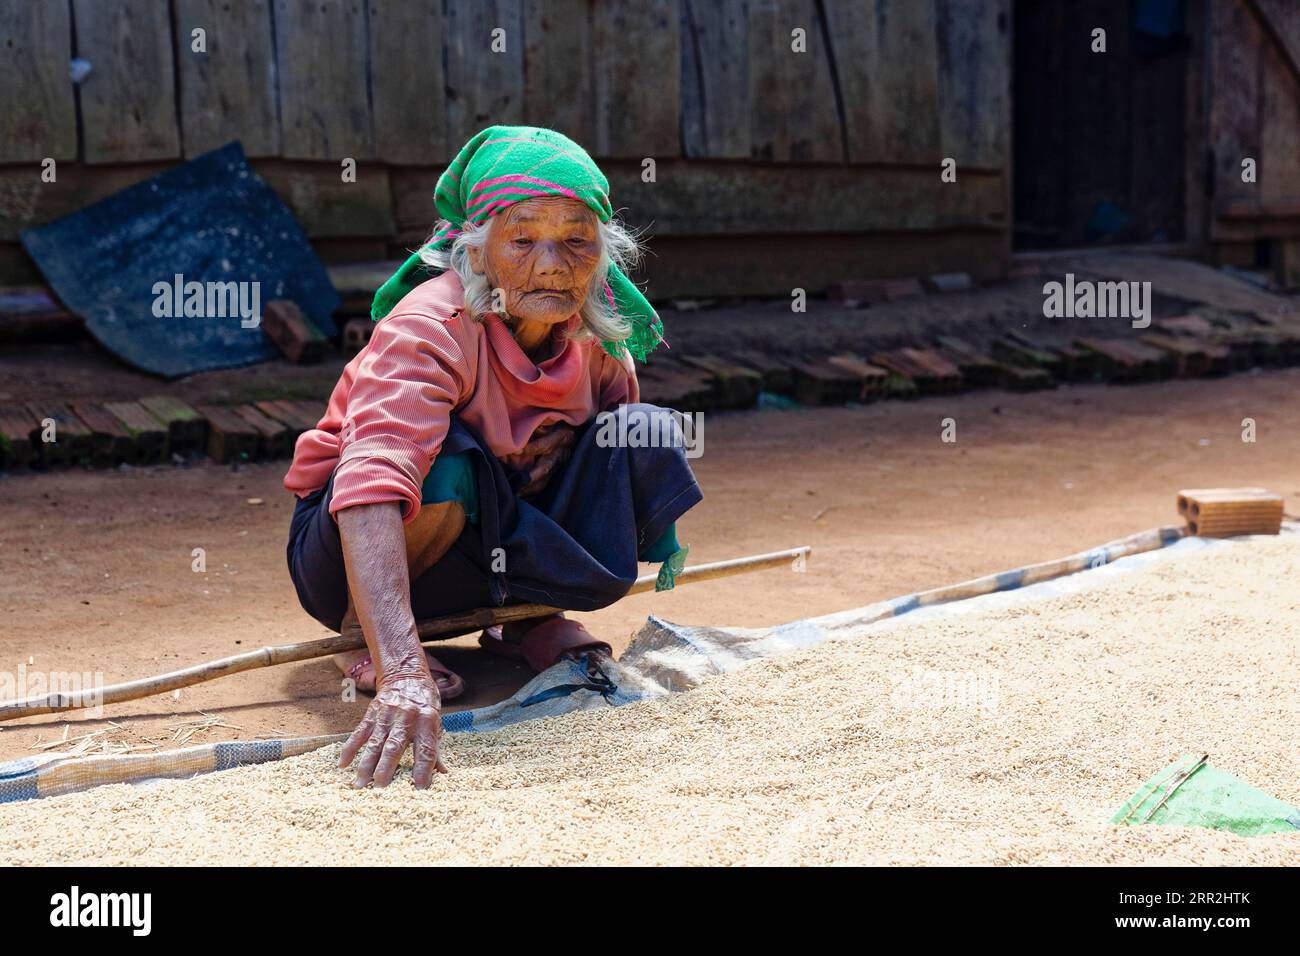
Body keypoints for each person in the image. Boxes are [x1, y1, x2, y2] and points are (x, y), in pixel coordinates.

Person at [283, 126, 702, 789]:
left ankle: (523, 624)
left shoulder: (596, 335)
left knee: (635, 434)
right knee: (448, 463)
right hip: (351, 545)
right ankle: (367, 636)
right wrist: (400, 670)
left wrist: (564, 445)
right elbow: (369, 484)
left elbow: (602, 466)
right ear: (477, 254)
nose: (552, 263)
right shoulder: (431, 328)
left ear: (602, 252)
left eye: (575, 238)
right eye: (523, 238)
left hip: (489, 539)